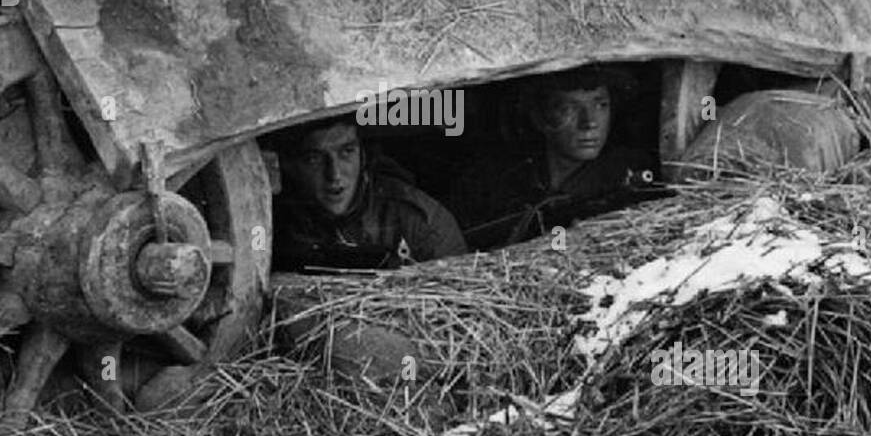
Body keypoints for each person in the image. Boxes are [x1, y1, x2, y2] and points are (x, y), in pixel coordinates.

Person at [449, 67, 660, 249]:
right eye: (568, 108)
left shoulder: (629, 177)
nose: (589, 123)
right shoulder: (496, 180)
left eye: (600, 105)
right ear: (540, 118)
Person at [271, 116, 468, 272]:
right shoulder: (268, 220)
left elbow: (460, 297)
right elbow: (256, 251)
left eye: (346, 152)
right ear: (290, 166)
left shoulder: (419, 220)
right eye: (314, 159)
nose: (334, 174)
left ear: (363, 155)